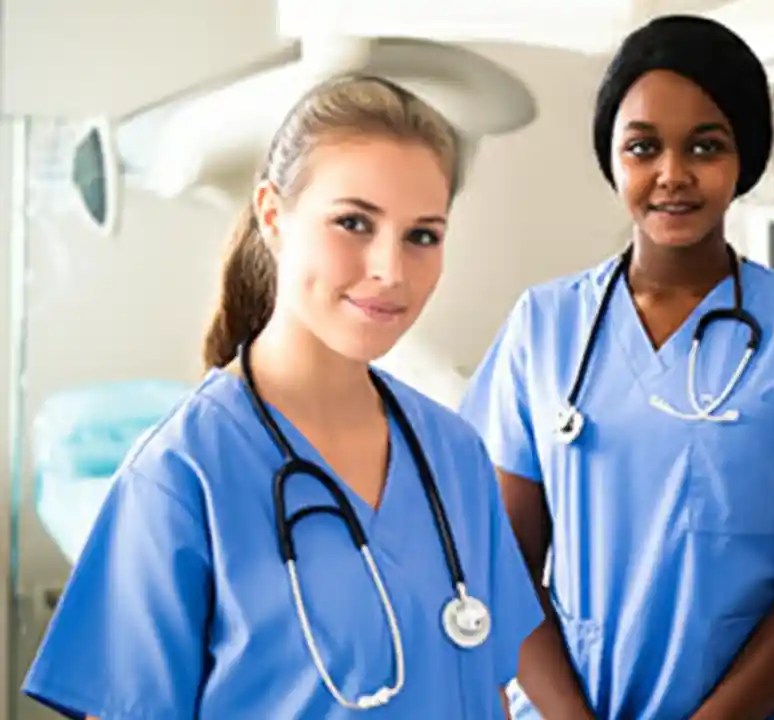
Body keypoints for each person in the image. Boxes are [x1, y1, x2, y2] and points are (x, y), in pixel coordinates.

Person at [22, 74, 543, 719]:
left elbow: (487, 685)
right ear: (273, 216)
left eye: (423, 235)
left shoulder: (453, 452)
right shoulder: (183, 475)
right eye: (353, 222)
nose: (390, 269)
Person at [459, 15, 774, 720]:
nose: (673, 174)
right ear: (613, 157)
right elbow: (505, 565)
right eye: (643, 147)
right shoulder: (543, 328)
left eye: (706, 145)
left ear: (745, 159)